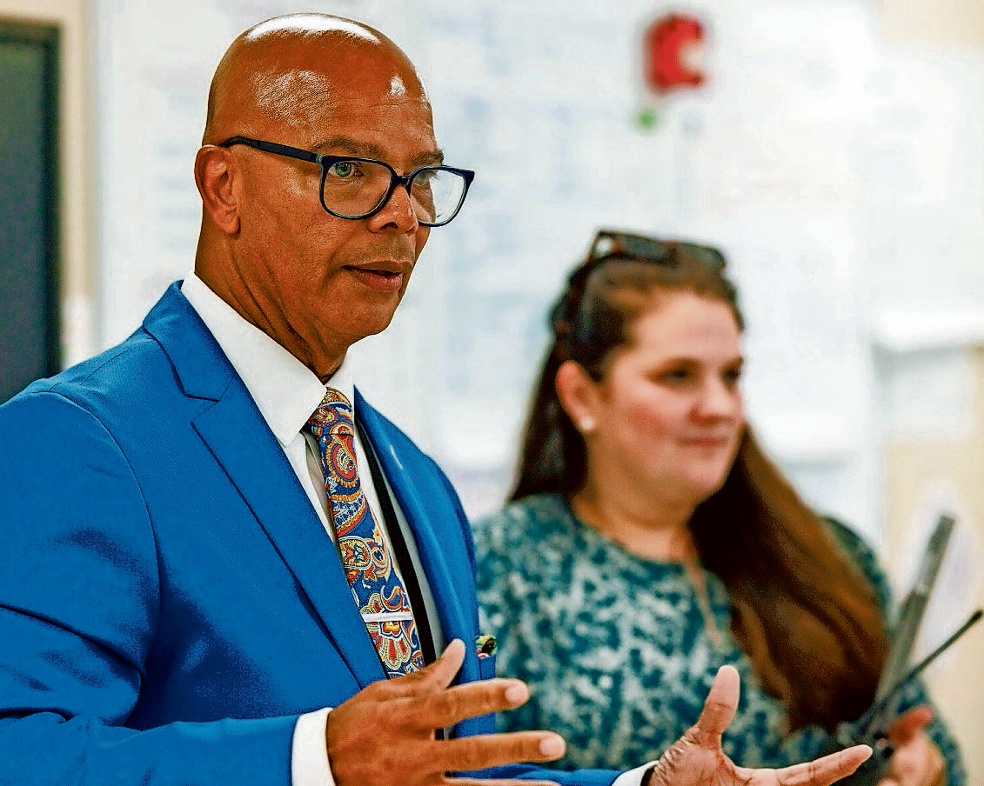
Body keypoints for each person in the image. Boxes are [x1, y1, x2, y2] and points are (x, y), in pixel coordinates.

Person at [0, 16, 873, 786]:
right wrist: (313, 762)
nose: (402, 216)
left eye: (420, 178)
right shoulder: (80, 440)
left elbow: (452, 772)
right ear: (222, 186)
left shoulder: (412, 476)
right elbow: (21, 753)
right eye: (349, 169)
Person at [474, 230, 965, 786]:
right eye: (677, 375)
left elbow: (934, 745)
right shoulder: (497, 569)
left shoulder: (830, 555)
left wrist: (922, 767)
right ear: (581, 395)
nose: (719, 406)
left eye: (731, 375)